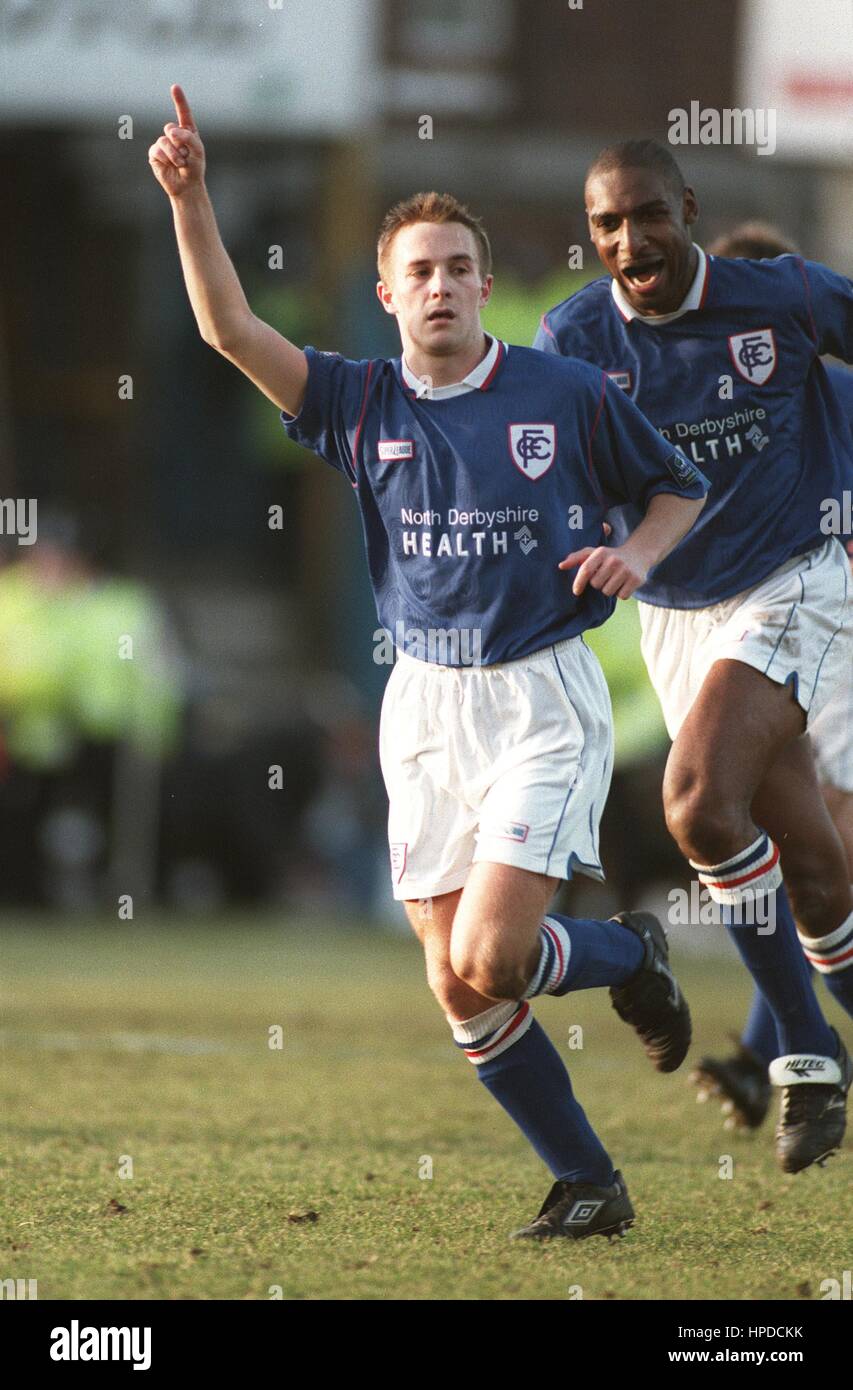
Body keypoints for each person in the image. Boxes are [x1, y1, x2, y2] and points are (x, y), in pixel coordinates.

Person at [150, 89, 708, 1240]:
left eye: (460, 265)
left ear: (484, 285)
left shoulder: (562, 392)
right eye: (421, 270)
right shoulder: (358, 400)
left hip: (538, 696)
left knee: (495, 956)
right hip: (420, 704)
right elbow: (226, 330)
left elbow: (676, 489)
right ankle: (588, 1182)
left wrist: (633, 556)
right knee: (453, 982)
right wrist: (190, 196)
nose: (442, 284)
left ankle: (626, 950)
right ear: (388, 293)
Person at [534, 140, 852, 1172]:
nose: (631, 241)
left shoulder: (784, 299)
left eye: (648, 216)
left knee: (693, 802)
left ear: (689, 210)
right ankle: (812, 1039)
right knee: (812, 874)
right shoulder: (574, 335)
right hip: (674, 615)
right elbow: (555, 474)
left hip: (795, 575)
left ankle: (805, 1057)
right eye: (607, 226)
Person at [685, 223, 853, 1131]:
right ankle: (782, 1051)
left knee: (821, 834)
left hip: (833, 621)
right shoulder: (694, 396)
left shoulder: (826, 388)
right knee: (794, 836)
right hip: (761, 632)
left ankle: (777, 1051)